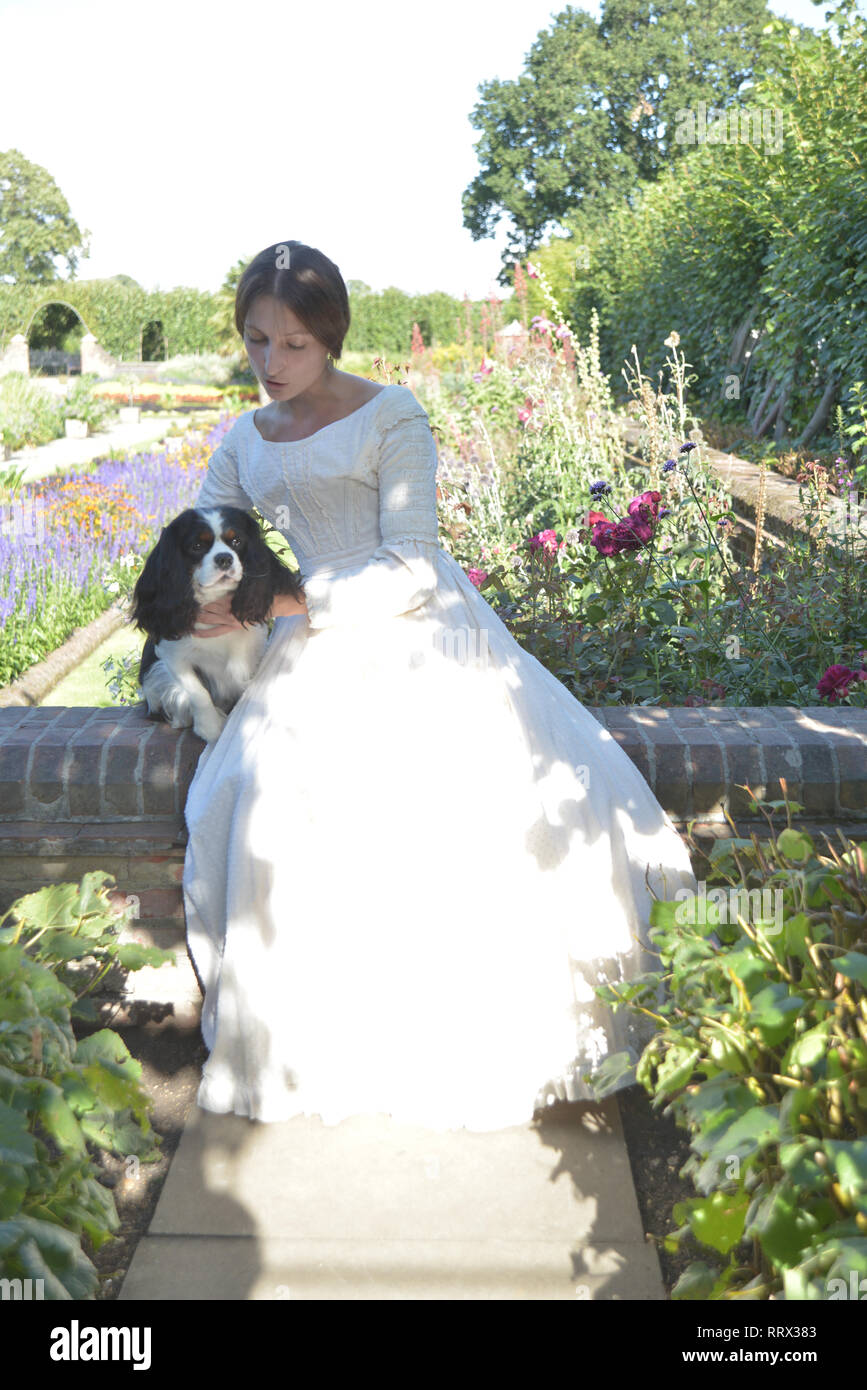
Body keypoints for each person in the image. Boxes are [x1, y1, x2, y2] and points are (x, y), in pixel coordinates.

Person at [182, 240, 697, 1133]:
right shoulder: (242, 436)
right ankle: (303, 1040)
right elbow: (199, 531)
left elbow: (413, 565)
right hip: (304, 638)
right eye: (257, 340)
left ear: (330, 334)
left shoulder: (391, 415)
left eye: (294, 343)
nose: (272, 364)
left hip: (417, 628)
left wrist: (287, 600)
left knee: (449, 813)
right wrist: (206, 605)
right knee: (256, 794)